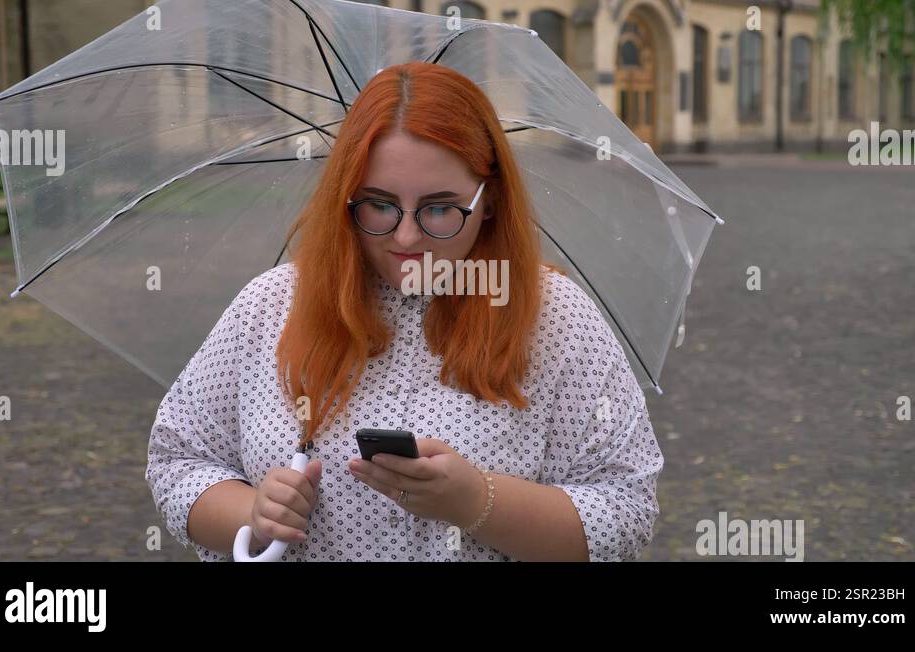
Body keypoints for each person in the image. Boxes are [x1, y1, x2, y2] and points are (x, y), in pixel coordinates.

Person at [145, 61, 663, 562]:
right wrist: (251, 513)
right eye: (379, 204)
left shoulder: (553, 319)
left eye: (440, 208)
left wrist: (477, 502)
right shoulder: (272, 305)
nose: (407, 237)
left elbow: (626, 509)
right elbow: (178, 458)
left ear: (490, 199)